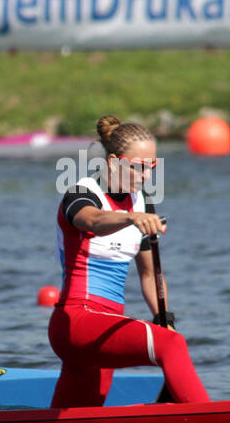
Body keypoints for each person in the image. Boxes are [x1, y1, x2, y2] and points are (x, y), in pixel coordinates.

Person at [48, 115, 208, 407]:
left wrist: (164, 318)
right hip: (77, 321)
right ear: (113, 163)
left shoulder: (142, 203)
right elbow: (93, 222)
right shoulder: (81, 195)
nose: (146, 177)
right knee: (172, 346)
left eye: (153, 167)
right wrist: (131, 218)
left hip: (104, 329)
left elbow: (150, 276)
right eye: (139, 168)